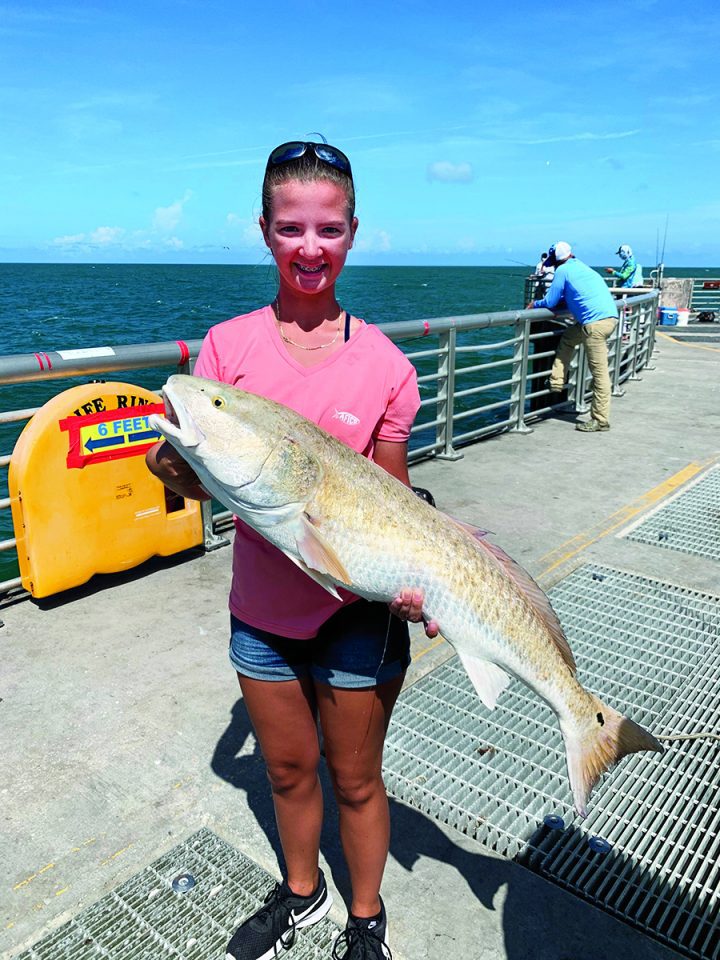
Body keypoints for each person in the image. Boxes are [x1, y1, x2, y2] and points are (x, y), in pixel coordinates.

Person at [146, 140, 438, 960]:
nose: (310, 247)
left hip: (359, 615)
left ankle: (367, 917)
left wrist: (424, 581)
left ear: (353, 233)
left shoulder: (384, 364)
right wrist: (173, 467)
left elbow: (393, 497)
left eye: (329, 228)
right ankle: (303, 894)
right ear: (265, 232)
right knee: (286, 773)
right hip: (263, 615)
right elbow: (208, 481)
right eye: (291, 228)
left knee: (355, 779)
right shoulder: (227, 350)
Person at [526, 241, 619, 433]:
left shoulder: (562, 271)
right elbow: (568, 295)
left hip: (595, 325)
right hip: (607, 319)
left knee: (600, 374)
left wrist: (534, 304)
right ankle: (557, 381)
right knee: (568, 338)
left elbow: (551, 301)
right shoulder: (582, 267)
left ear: (555, 260)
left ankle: (600, 420)